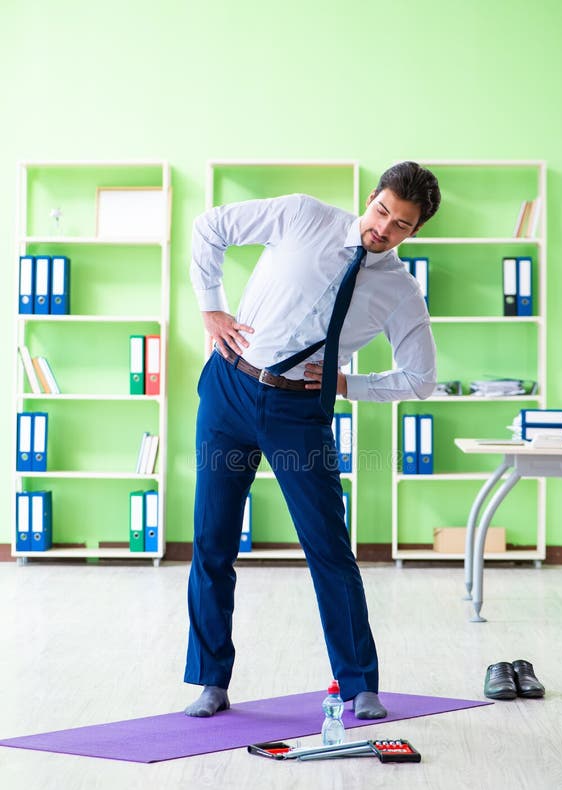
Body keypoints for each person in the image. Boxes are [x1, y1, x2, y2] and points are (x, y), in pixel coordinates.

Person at [184, 160, 441, 718]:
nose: (382, 229)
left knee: (328, 547)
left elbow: (421, 378)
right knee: (212, 540)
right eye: (381, 211)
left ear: (415, 231)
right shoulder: (302, 215)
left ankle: (360, 684)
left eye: (400, 225)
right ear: (371, 196)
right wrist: (210, 307)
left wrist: (351, 383)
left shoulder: (400, 291)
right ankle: (210, 680)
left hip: (299, 412)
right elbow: (210, 228)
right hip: (230, 386)